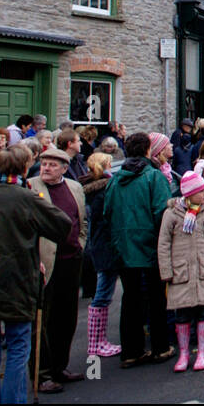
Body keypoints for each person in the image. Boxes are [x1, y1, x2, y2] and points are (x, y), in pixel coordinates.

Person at [0, 147, 72, 403]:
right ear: (24, 169)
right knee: (19, 347)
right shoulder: (26, 197)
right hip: (13, 281)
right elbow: (62, 225)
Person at [104, 132, 174, 367]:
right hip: (150, 248)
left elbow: (107, 213)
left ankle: (131, 352)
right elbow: (162, 213)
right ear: (147, 151)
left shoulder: (115, 179)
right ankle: (160, 348)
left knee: (130, 299)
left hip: (123, 250)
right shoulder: (153, 177)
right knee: (156, 299)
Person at [29, 146, 87, 393]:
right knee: (42, 320)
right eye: (44, 164)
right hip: (44, 263)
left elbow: (81, 221)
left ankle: (59, 366)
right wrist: (33, 259)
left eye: (53, 165)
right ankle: (41, 374)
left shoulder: (74, 187)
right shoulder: (30, 188)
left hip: (70, 259)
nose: (46, 168)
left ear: (64, 168)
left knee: (67, 317)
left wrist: (80, 243)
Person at [158, 171, 204, 372]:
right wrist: (166, 271)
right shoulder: (171, 214)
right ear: (189, 193)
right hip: (181, 272)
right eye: (201, 191)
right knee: (182, 314)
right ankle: (184, 353)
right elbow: (163, 243)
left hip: (203, 269)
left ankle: (203, 351)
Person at [78, 152, 121, 359]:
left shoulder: (89, 188)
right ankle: (96, 343)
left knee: (102, 293)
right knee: (102, 295)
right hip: (105, 246)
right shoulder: (103, 191)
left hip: (99, 245)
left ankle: (98, 341)